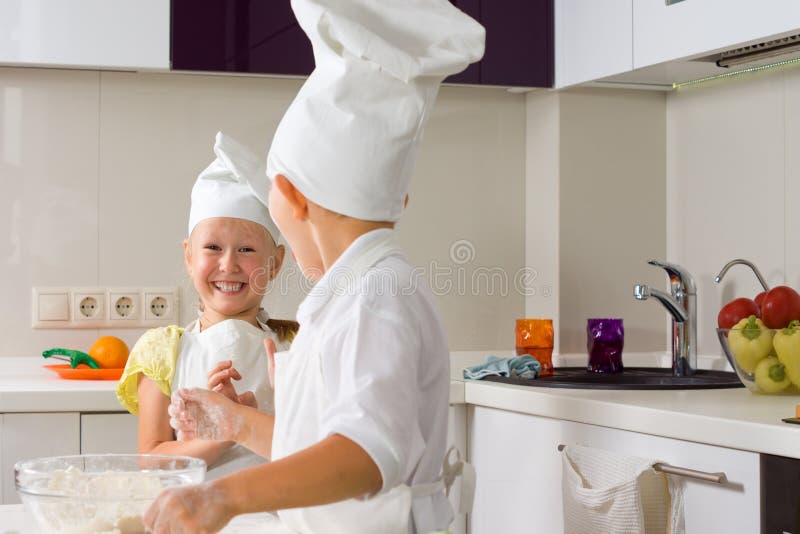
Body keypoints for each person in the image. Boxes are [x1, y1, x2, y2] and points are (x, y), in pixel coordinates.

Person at [144, 1, 485, 532]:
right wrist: (236, 423)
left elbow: (362, 457)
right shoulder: (353, 292)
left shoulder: (375, 296)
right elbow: (318, 443)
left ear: (291, 198)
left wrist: (224, 497)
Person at [116, 132, 296, 477]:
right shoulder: (162, 352)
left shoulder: (296, 346)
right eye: (213, 248)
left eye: (246, 250)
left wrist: (241, 419)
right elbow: (152, 458)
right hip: (192, 521)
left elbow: (315, 448)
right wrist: (227, 431)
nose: (228, 265)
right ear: (188, 255)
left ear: (275, 263)